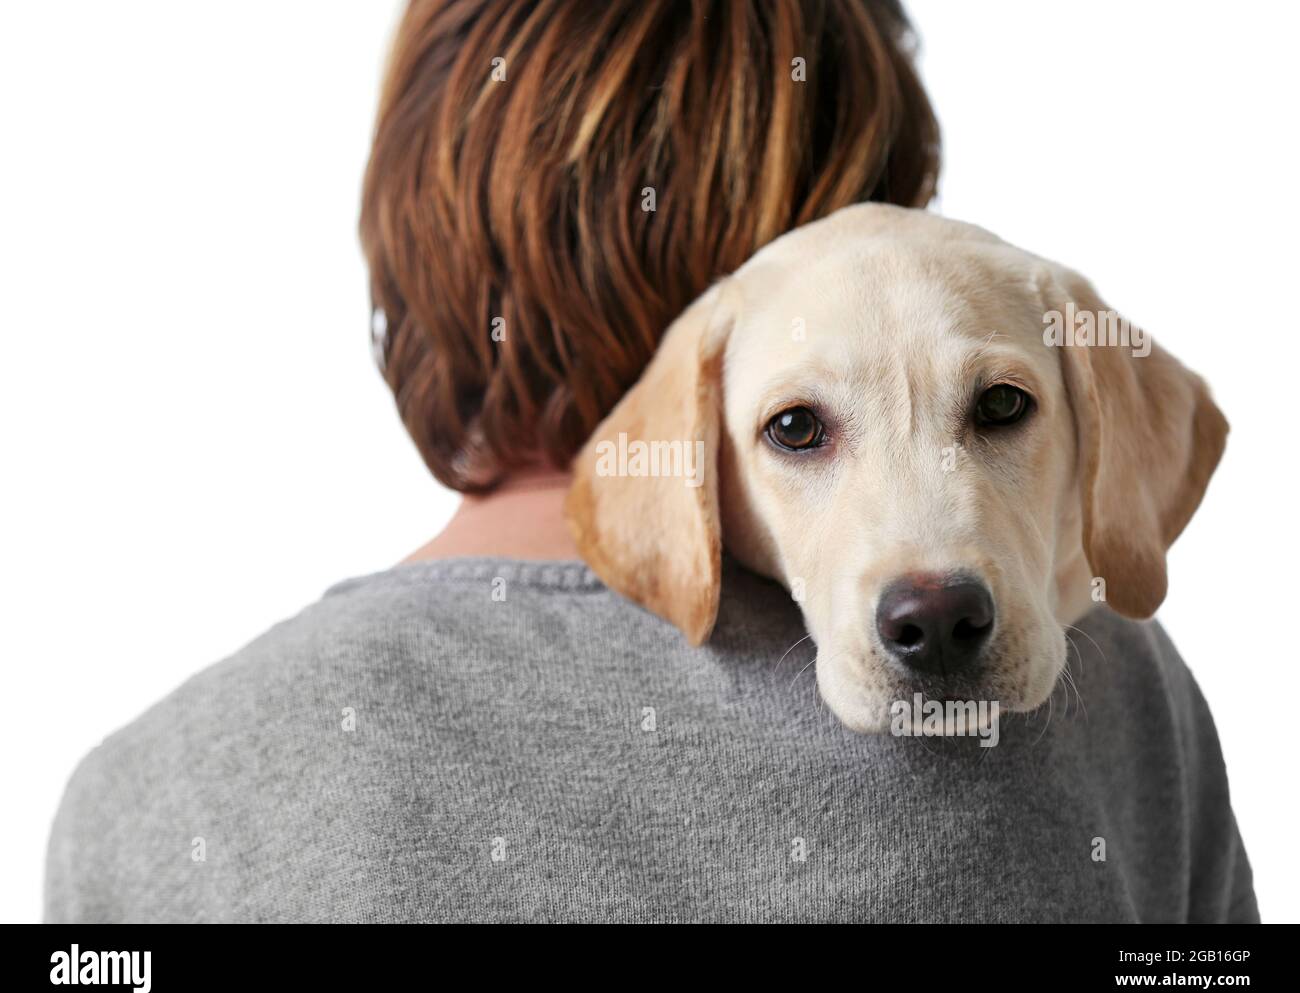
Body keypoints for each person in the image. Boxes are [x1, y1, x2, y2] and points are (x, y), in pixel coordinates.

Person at [46, 0, 1255, 923]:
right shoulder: (1110, 691)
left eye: (993, 407)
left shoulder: (144, 799)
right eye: (800, 428)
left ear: (404, 235)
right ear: (879, 202)